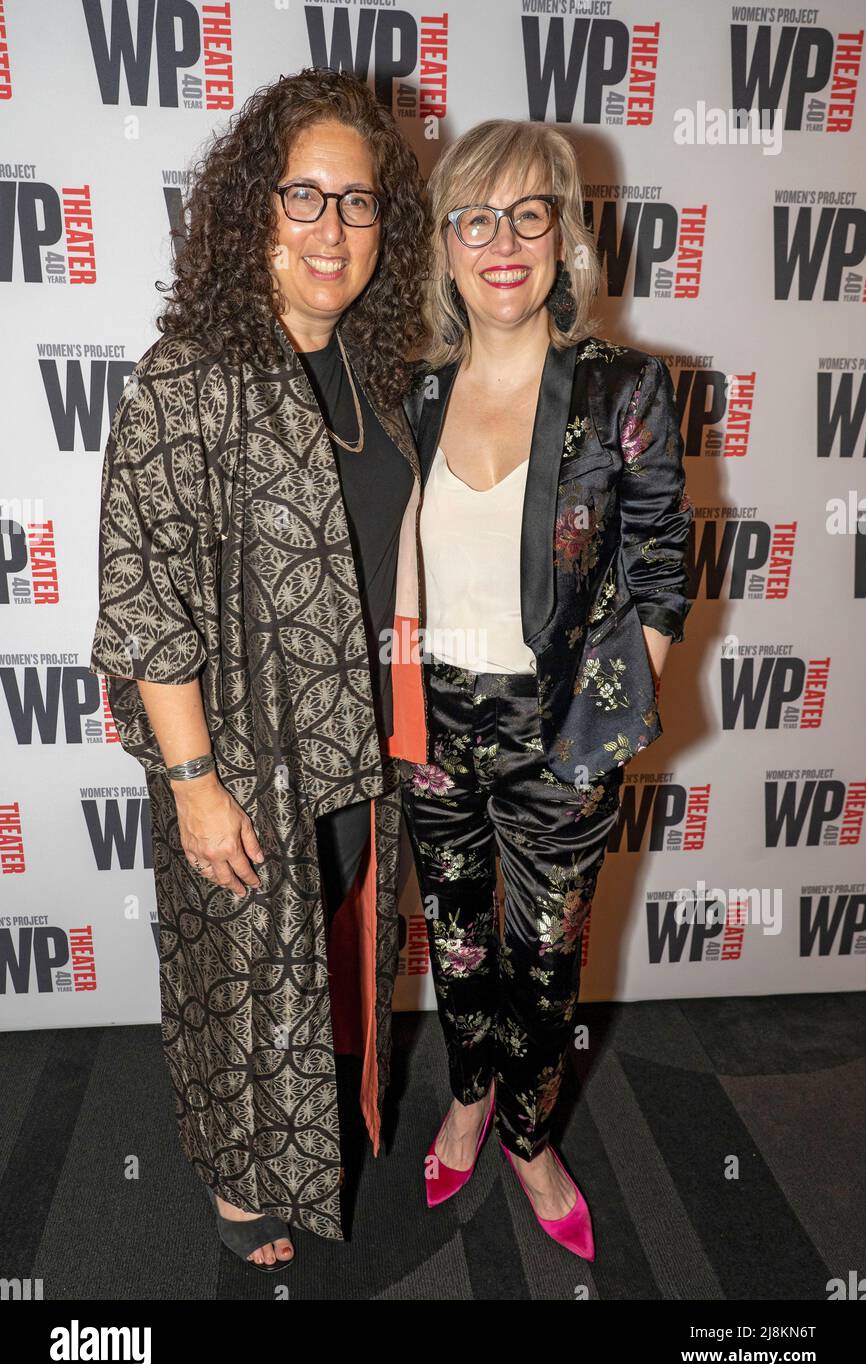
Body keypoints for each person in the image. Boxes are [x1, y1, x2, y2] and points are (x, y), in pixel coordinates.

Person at [89, 68, 428, 1270]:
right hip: (236, 760)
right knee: (238, 991)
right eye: (305, 197)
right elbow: (142, 597)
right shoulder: (191, 376)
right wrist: (190, 782)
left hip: (352, 761)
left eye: (361, 202)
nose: (333, 229)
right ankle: (238, 1187)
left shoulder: (375, 380)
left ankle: (295, 1142)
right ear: (253, 214)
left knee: (305, 986)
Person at [392, 119, 694, 1258]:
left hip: (558, 729)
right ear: (447, 243)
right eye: (476, 217)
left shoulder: (619, 387)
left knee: (549, 961)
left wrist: (598, 727)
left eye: (531, 214)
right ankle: (468, 1096)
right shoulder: (411, 392)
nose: (503, 242)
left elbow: (661, 565)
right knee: (459, 945)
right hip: (429, 723)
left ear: (564, 235)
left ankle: (526, 1130)